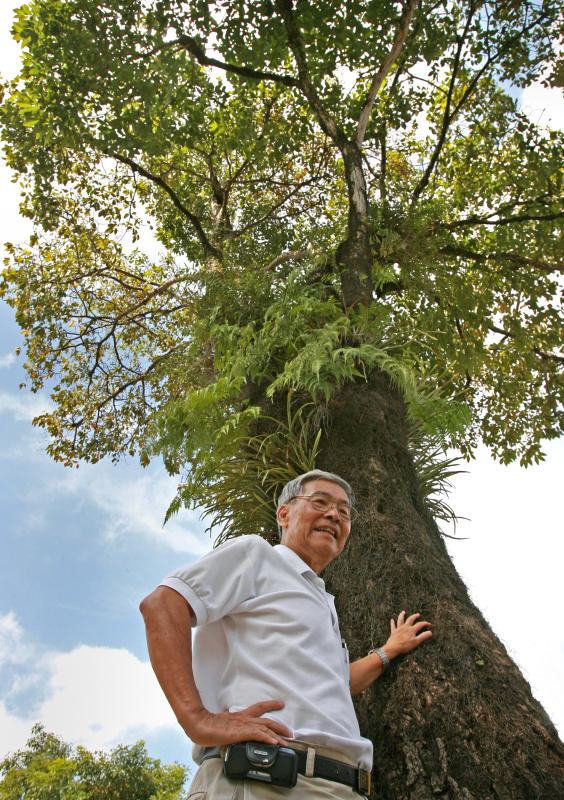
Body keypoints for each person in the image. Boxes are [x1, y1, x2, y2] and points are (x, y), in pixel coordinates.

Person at [140, 470, 432, 798]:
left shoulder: (320, 599)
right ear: (284, 513)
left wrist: (387, 652)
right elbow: (163, 604)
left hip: (339, 787)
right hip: (264, 779)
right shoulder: (257, 556)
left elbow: (337, 683)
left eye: (344, 512)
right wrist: (196, 719)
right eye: (320, 502)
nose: (334, 514)